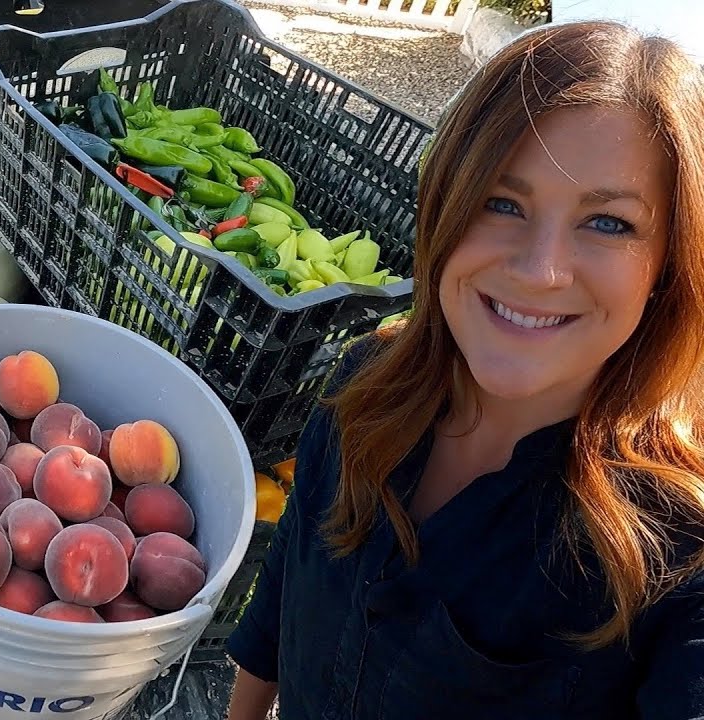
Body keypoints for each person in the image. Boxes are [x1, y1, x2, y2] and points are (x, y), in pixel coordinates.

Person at [226, 19, 704, 720]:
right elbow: (281, 598)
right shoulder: (363, 384)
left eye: (608, 223)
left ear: (668, 266)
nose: (540, 271)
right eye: (500, 203)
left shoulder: (675, 562)